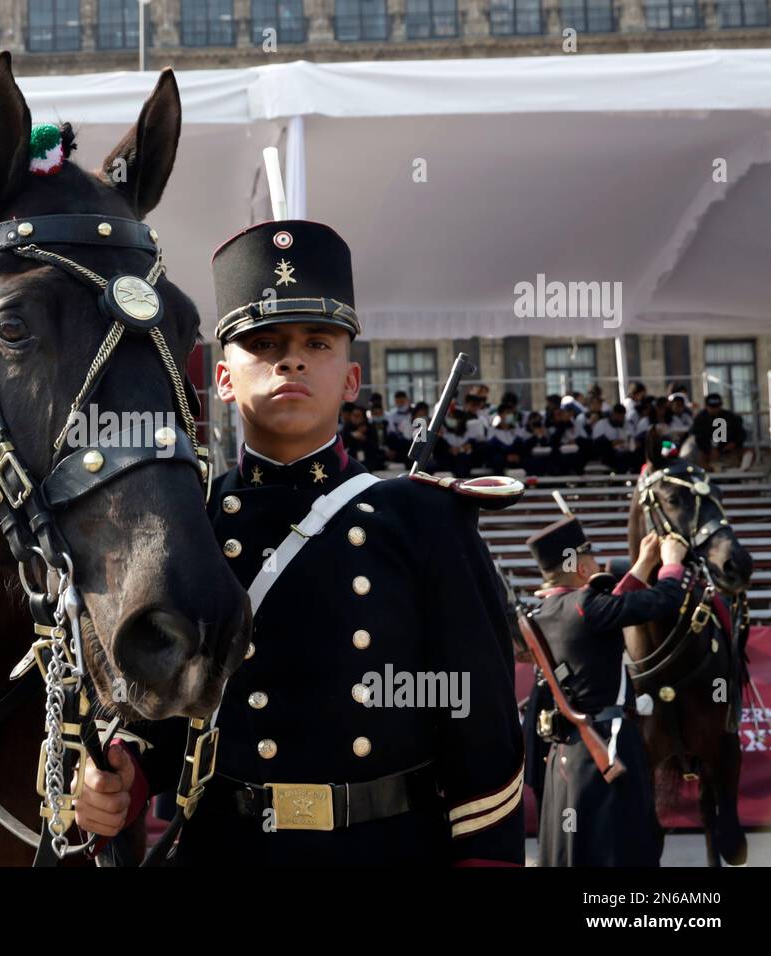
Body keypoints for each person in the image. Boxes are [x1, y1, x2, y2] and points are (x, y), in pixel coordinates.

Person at [73, 218, 526, 866]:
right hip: (227, 848)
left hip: (387, 850)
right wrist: (120, 776)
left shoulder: (423, 519)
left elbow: (480, 732)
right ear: (223, 379)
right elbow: (155, 713)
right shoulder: (186, 525)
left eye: (318, 342)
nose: (291, 359)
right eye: (263, 343)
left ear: (350, 377)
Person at [525, 517, 687, 866]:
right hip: (609, 745)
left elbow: (604, 614)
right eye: (592, 559)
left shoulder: (544, 610)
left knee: (575, 850)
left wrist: (642, 565)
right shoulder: (588, 605)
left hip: (568, 755)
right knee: (619, 847)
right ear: (582, 567)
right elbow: (664, 601)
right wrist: (672, 563)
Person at [692, 393, 748, 471]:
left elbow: (741, 433)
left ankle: (740, 471)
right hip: (707, 452)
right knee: (699, 457)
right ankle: (711, 472)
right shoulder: (700, 418)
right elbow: (698, 437)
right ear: (706, 406)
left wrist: (734, 443)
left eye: (717, 407)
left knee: (748, 453)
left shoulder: (731, 417)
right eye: (711, 407)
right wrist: (709, 449)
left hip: (729, 449)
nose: (714, 409)